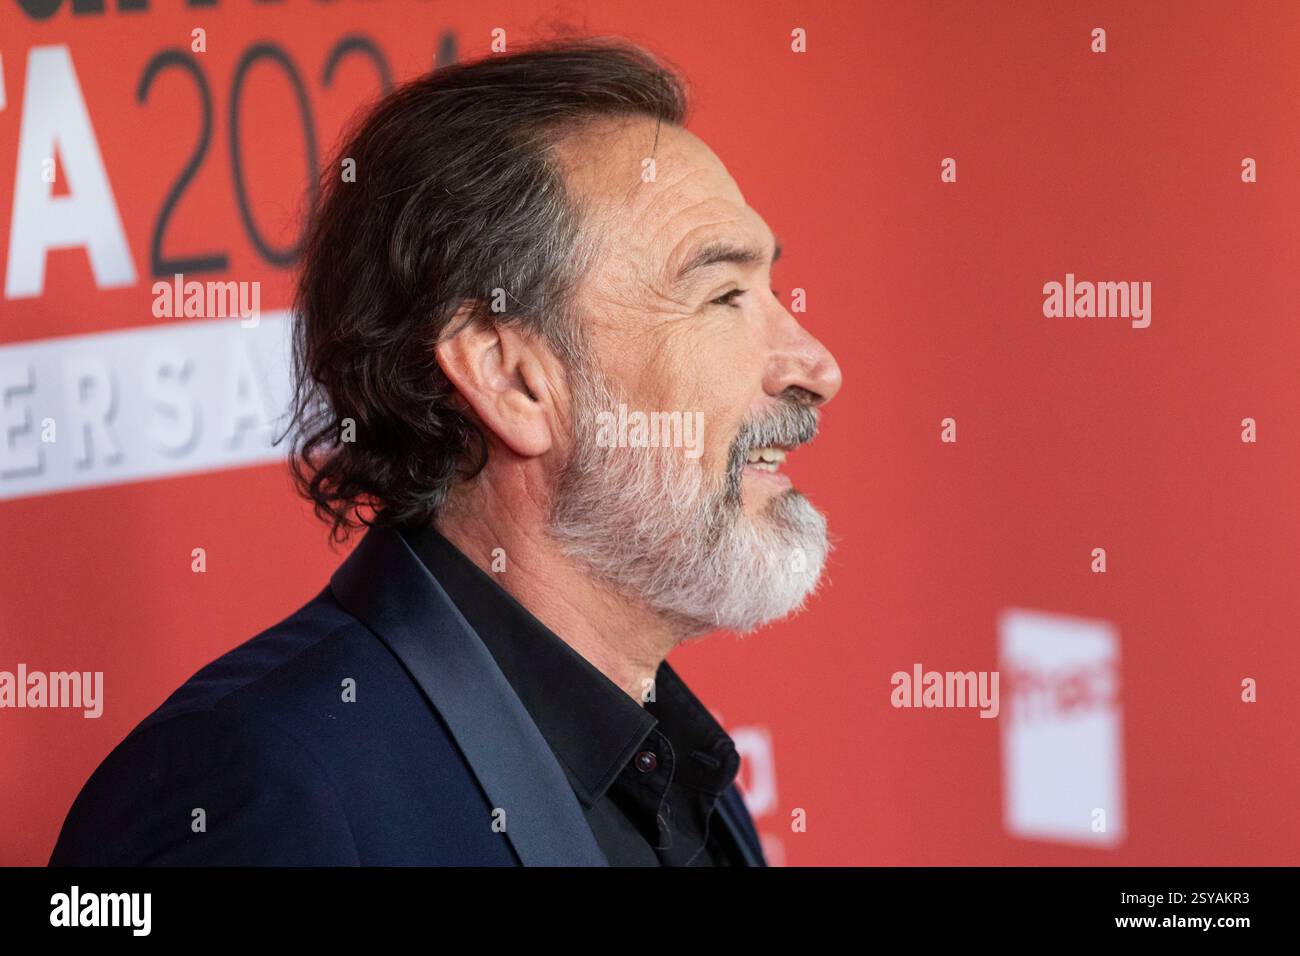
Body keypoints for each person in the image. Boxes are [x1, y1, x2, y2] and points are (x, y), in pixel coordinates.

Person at [49, 37, 842, 866]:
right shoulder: (253, 793)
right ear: (509, 377)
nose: (817, 367)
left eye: (773, 292)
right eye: (723, 297)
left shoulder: (689, 781)